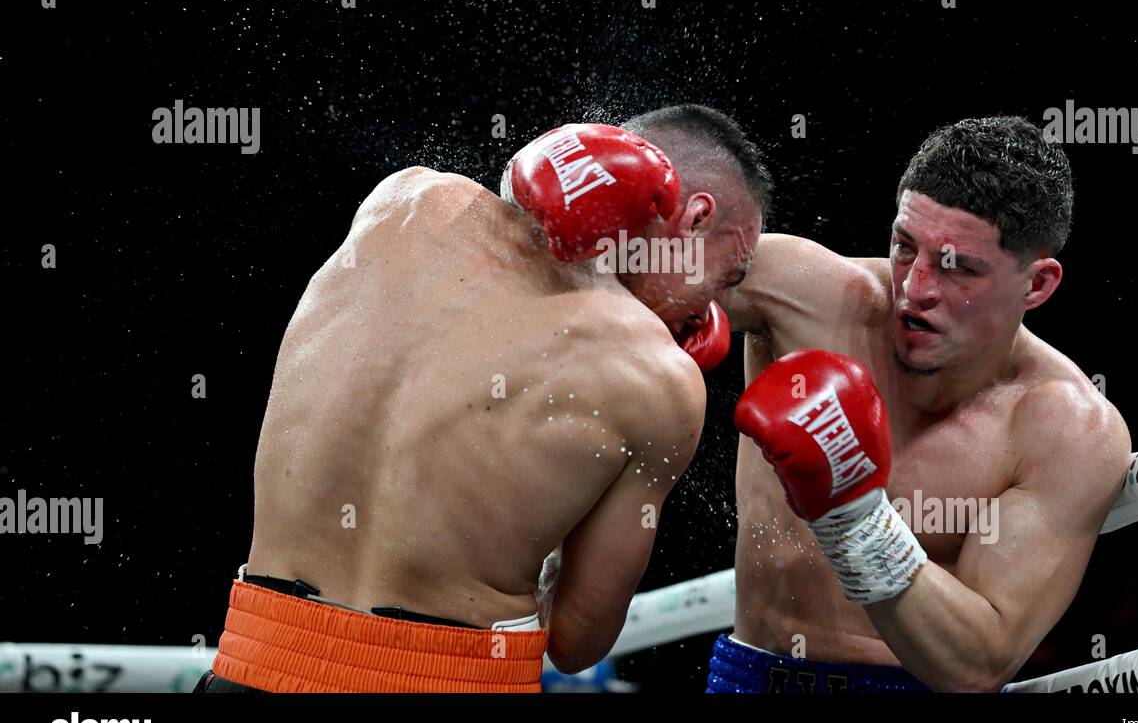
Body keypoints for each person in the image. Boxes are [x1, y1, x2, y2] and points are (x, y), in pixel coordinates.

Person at [196, 105, 768, 692]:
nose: (710, 314)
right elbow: (576, 642)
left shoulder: (403, 202)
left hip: (248, 668)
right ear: (696, 219)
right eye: (730, 275)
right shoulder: (657, 377)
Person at [710, 116, 1131, 693]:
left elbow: (979, 662)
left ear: (1037, 286)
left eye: (959, 267)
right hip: (750, 677)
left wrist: (854, 517)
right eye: (906, 248)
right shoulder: (805, 296)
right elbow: (621, 288)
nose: (915, 289)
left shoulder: (1064, 426)